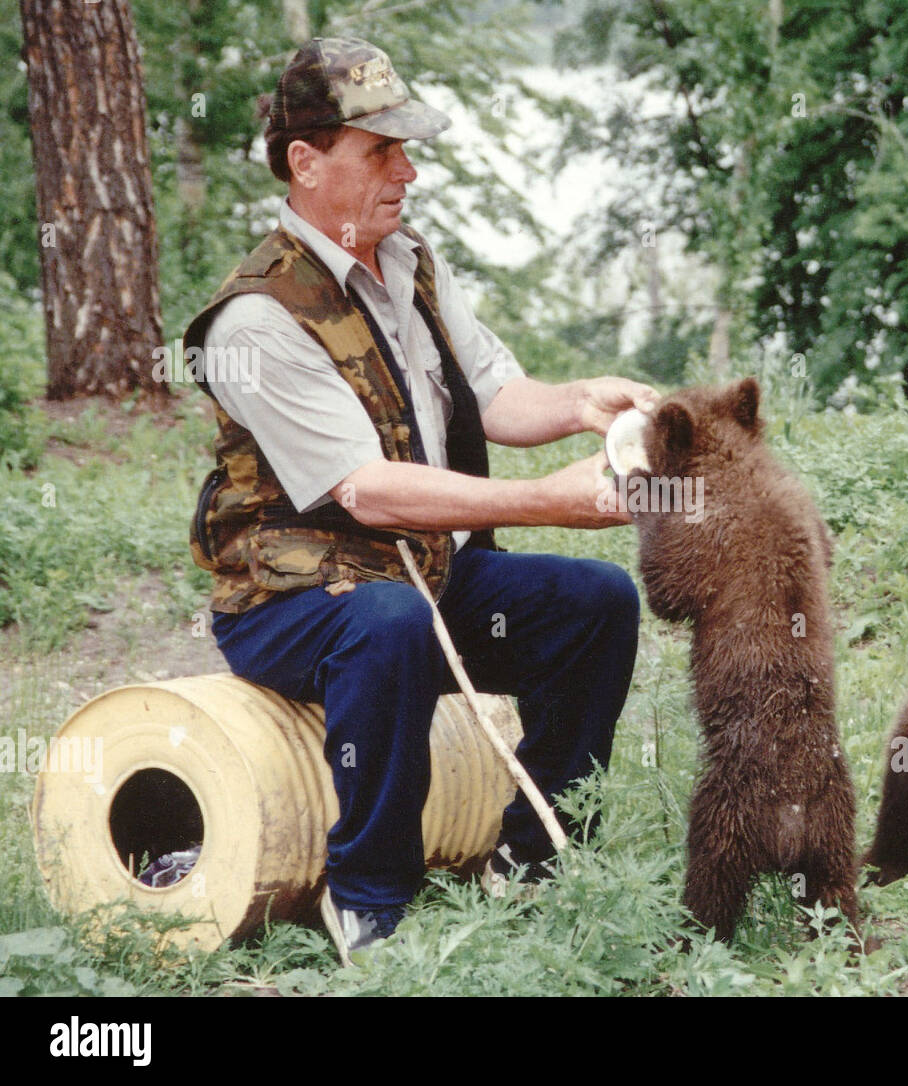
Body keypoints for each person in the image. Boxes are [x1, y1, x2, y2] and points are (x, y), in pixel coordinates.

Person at [184, 37, 656, 966]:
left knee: (597, 607)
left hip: (421, 574)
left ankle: (533, 859)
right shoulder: (255, 321)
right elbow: (368, 489)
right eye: (383, 152)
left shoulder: (406, 259)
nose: (410, 172)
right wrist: (550, 502)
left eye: (408, 148)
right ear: (306, 163)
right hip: (290, 608)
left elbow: (490, 392)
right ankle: (367, 902)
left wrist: (580, 404)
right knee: (389, 620)